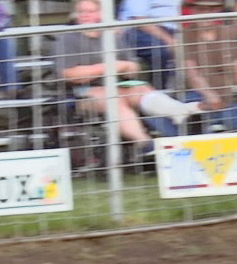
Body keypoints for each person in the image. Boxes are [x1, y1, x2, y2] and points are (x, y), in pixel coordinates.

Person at [56, 0, 203, 155]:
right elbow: (70, 74)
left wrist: (123, 67)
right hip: (83, 93)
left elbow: (133, 68)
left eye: (90, 11)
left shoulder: (113, 36)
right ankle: (145, 143)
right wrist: (110, 67)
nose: (85, 16)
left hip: (119, 86)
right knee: (113, 99)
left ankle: (176, 110)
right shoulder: (67, 39)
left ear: (100, 13)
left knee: (141, 88)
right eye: (81, 12)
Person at [177, 0, 237, 131]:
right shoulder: (184, 36)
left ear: (218, 10)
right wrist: (209, 94)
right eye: (200, 9)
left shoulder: (228, 34)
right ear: (192, 11)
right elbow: (192, 73)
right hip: (198, 98)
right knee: (196, 117)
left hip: (227, 100)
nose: (206, 14)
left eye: (211, 9)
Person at [118, 0, 181, 90]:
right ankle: (160, 93)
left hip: (175, 30)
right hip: (139, 29)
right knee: (160, 51)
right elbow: (138, 20)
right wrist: (169, 40)